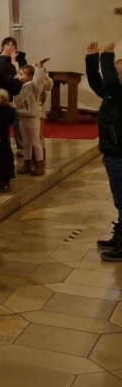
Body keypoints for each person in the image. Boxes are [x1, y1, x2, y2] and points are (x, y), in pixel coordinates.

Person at [85, 42, 122, 260]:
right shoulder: (112, 94)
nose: (113, 77)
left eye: (118, 73)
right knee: (119, 198)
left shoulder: (120, 93)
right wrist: (92, 59)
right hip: (112, 152)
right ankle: (120, 235)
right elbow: (98, 83)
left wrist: (106, 57)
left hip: (119, 153)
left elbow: (108, 82)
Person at [14, 62, 47, 175]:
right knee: (26, 143)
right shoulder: (19, 87)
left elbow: (38, 81)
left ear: (30, 76)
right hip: (22, 117)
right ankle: (26, 163)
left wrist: (39, 69)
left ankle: (39, 165)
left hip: (32, 118)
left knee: (35, 142)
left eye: (22, 74)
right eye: (18, 73)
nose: (18, 76)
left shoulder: (34, 87)